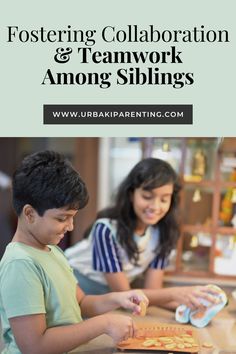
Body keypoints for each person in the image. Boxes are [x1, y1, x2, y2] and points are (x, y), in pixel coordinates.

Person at [0, 150, 148, 354]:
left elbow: (81, 302)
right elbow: (34, 346)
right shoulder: (20, 263)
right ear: (29, 214)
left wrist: (119, 298)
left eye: (73, 217)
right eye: (62, 218)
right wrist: (104, 324)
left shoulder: (53, 251)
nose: (70, 227)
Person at [65, 158, 218, 310]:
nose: (155, 206)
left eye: (164, 199)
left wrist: (189, 307)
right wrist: (176, 293)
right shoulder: (106, 229)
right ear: (131, 194)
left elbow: (152, 293)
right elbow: (126, 294)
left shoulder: (162, 233)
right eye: (147, 197)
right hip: (72, 288)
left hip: (109, 299)